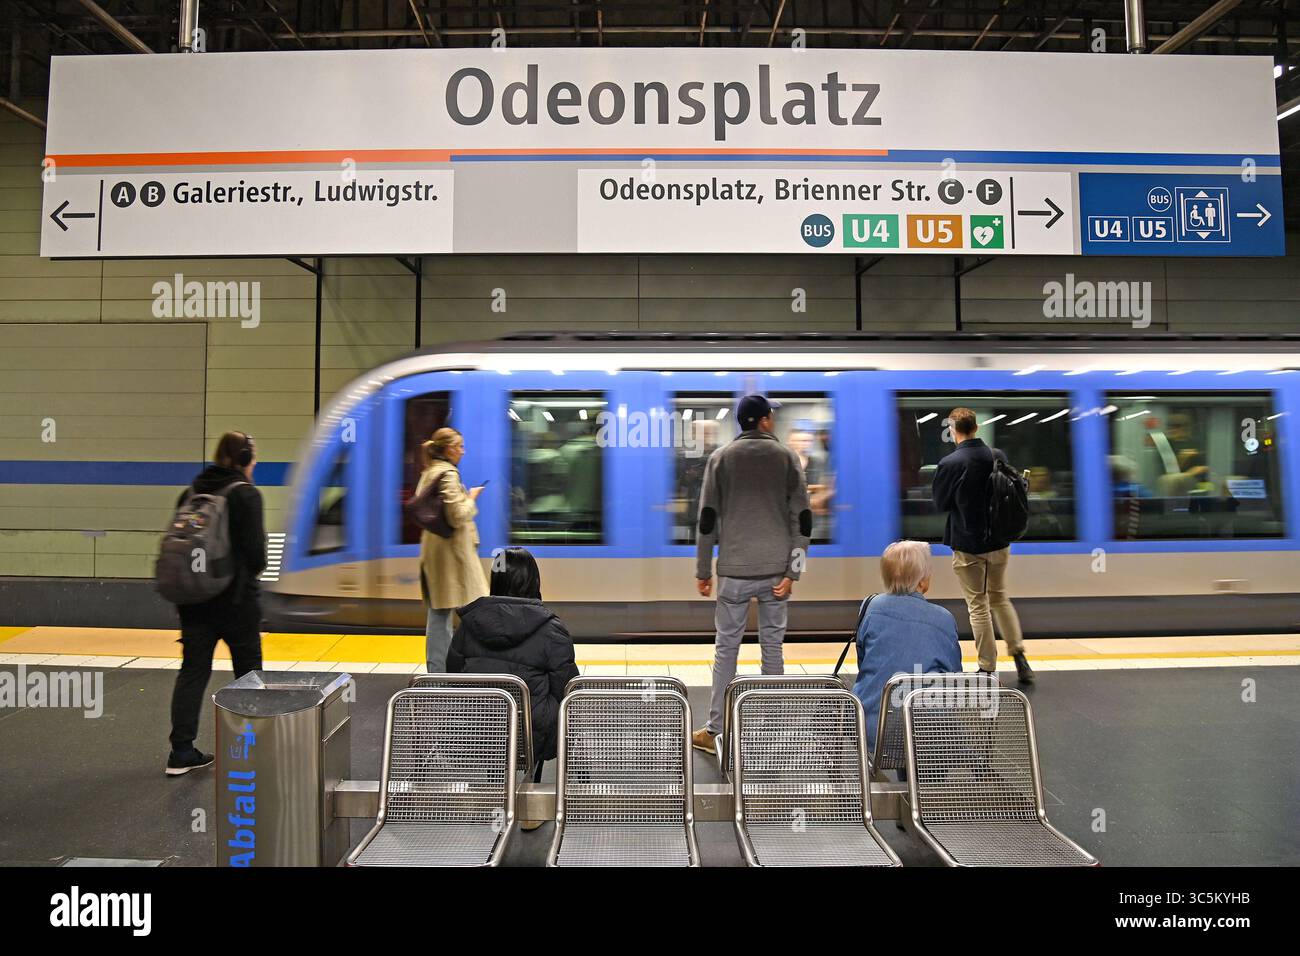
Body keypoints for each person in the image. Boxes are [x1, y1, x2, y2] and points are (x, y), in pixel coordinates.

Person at [692, 394, 811, 754]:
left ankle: (714, 732)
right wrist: (794, 572)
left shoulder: (720, 458)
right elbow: (803, 520)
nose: (772, 422)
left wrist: (702, 570)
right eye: (770, 417)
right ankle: (772, 727)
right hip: (777, 574)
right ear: (762, 421)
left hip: (732, 574)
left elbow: (707, 519)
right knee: (772, 648)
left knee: (726, 648)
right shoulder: (788, 458)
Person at [447, 547, 578, 830]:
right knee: (541, 708)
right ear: (534, 582)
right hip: (532, 737)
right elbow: (568, 688)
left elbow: (454, 678)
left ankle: (497, 792)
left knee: (494, 712)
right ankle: (530, 802)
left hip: (477, 732)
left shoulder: (468, 625)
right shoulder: (552, 628)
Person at [166, 431, 266, 775]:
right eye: (252, 458)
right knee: (249, 675)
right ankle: (254, 749)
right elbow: (257, 557)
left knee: (193, 671)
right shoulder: (245, 495)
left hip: (194, 602)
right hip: (236, 602)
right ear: (243, 460)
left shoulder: (191, 492)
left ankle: (181, 751)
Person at [932, 407, 1035, 683]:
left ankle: (987, 666)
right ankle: (1020, 657)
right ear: (976, 428)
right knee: (1000, 597)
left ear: (953, 430)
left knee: (978, 604)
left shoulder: (950, 463)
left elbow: (941, 503)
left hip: (968, 545)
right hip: (999, 543)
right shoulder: (997, 456)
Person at [851, 540, 961, 755]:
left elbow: (863, 661)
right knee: (928, 722)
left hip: (873, 730)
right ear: (922, 582)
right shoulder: (945, 619)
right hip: (926, 734)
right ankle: (918, 785)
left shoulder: (870, 606)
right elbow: (953, 676)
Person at [416, 427, 489, 672]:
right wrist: (472, 497)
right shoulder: (447, 473)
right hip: (450, 557)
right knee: (468, 609)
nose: (462, 451)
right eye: (459, 446)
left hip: (438, 553)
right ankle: (442, 674)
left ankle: (441, 671)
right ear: (448, 448)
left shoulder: (430, 471)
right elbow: (457, 515)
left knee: (441, 613)